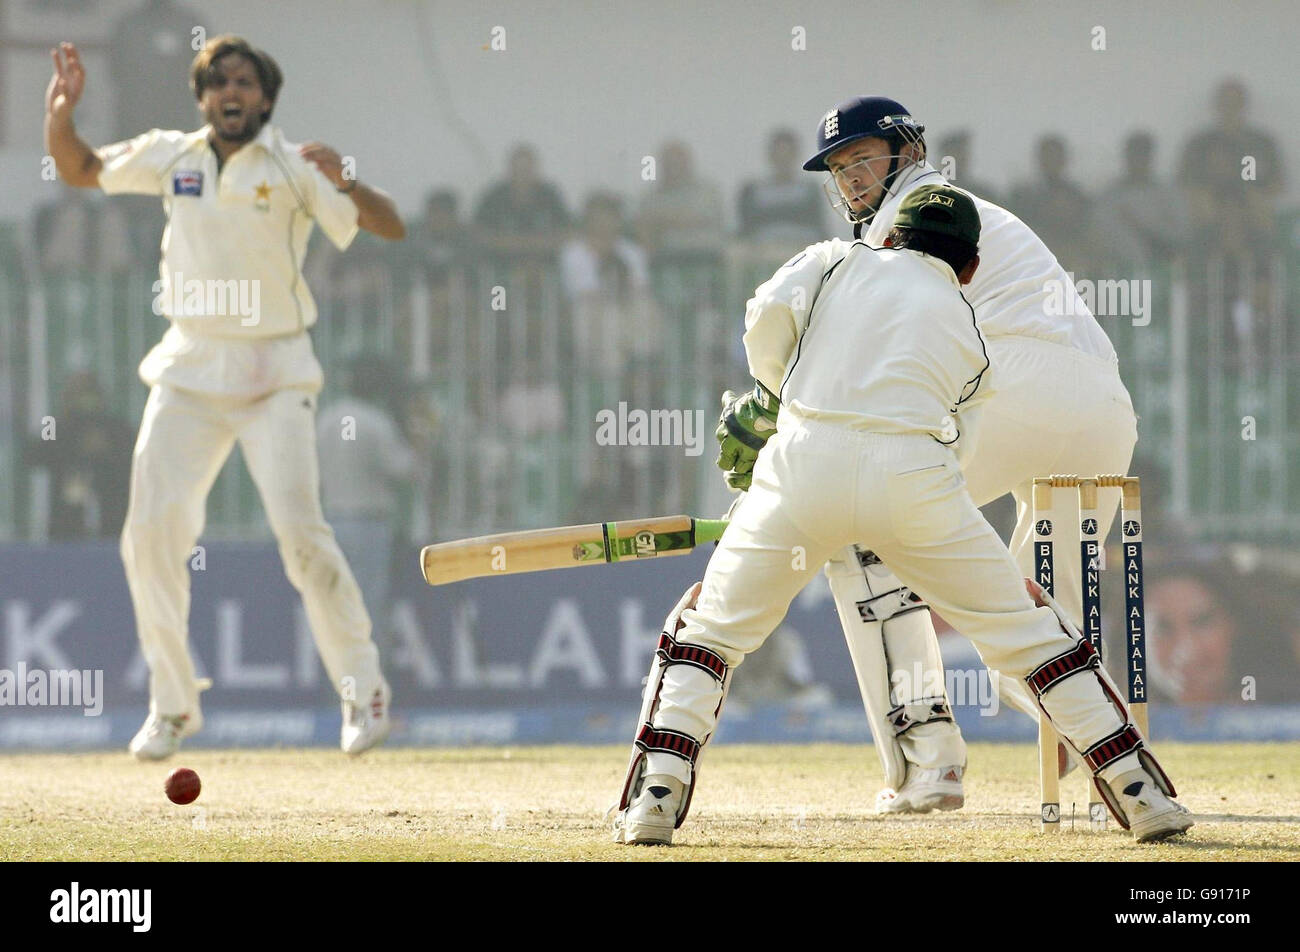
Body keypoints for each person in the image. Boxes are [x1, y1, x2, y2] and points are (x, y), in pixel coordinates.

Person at [612, 185, 1190, 846]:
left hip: (800, 472)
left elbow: (763, 316)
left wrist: (783, 394)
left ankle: (655, 799)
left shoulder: (830, 259)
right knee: (1033, 635)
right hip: (917, 484)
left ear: (887, 236)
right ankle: (1142, 796)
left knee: (708, 634)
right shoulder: (965, 319)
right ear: (970, 266)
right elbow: (965, 411)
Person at [716, 97, 1143, 815]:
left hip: (1009, 384)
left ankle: (929, 765)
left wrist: (780, 438)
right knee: (1046, 625)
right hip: (1102, 411)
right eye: (839, 167)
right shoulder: (975, 214)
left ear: (908, 150)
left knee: (862, 525)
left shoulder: (912, 224)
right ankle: (1117, 775)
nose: (851, 179)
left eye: (862, 158)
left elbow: (856, 360)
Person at [44, 36, 406, 760]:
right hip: (188, 365)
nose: (230, 93)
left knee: (302, 538)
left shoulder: (296, 165)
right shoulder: (171, 154)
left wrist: (351, 182)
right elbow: (80, 168)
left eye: (243, 82)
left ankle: (362, 692)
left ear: (265, 98)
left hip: (274, 369)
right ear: (203, 98)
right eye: (216, 84)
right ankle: (172, 706)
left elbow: (389, 225)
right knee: (148, 536)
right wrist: (60, 112)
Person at [737, 128, 826, 246]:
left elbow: (820, 230)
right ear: (771, 156)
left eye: (788, 154)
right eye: (779, 155)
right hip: (762, 254)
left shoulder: (809, 190)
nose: (783, 160)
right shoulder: (752, 191)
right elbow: (745, 232)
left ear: (795, 155)